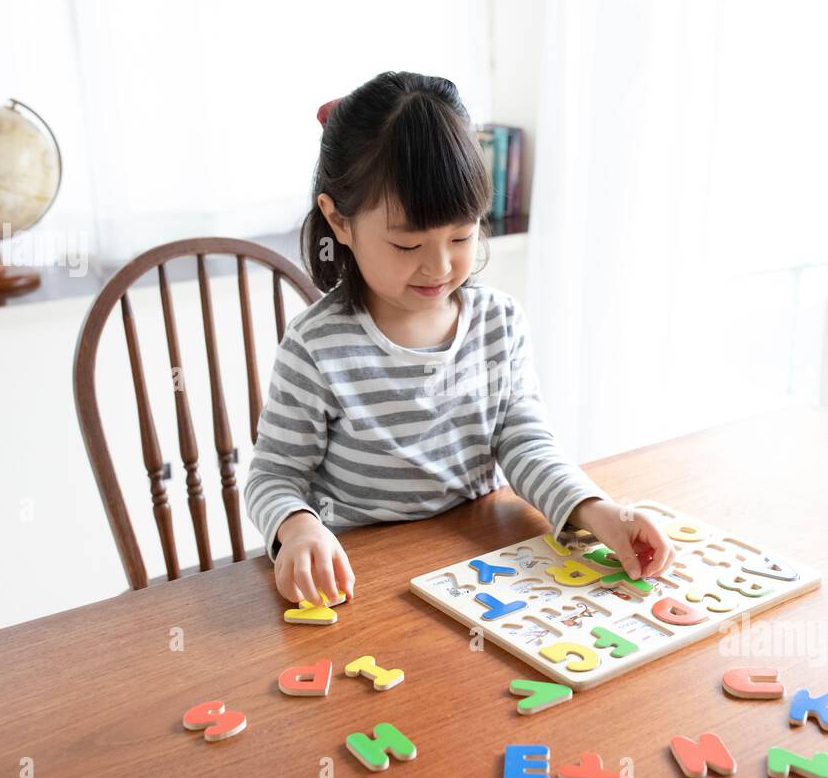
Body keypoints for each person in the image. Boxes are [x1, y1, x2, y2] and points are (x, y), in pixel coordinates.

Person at [244, 70, 673, 605]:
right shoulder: (317, 347)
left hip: (475, 570)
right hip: (362, 582)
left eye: (462, 235)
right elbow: (273, 476)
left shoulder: (499, 323)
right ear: (340, 222)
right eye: (406, 246)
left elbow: (524, 442)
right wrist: (299, 529)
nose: (440, 265)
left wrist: (596, 509)